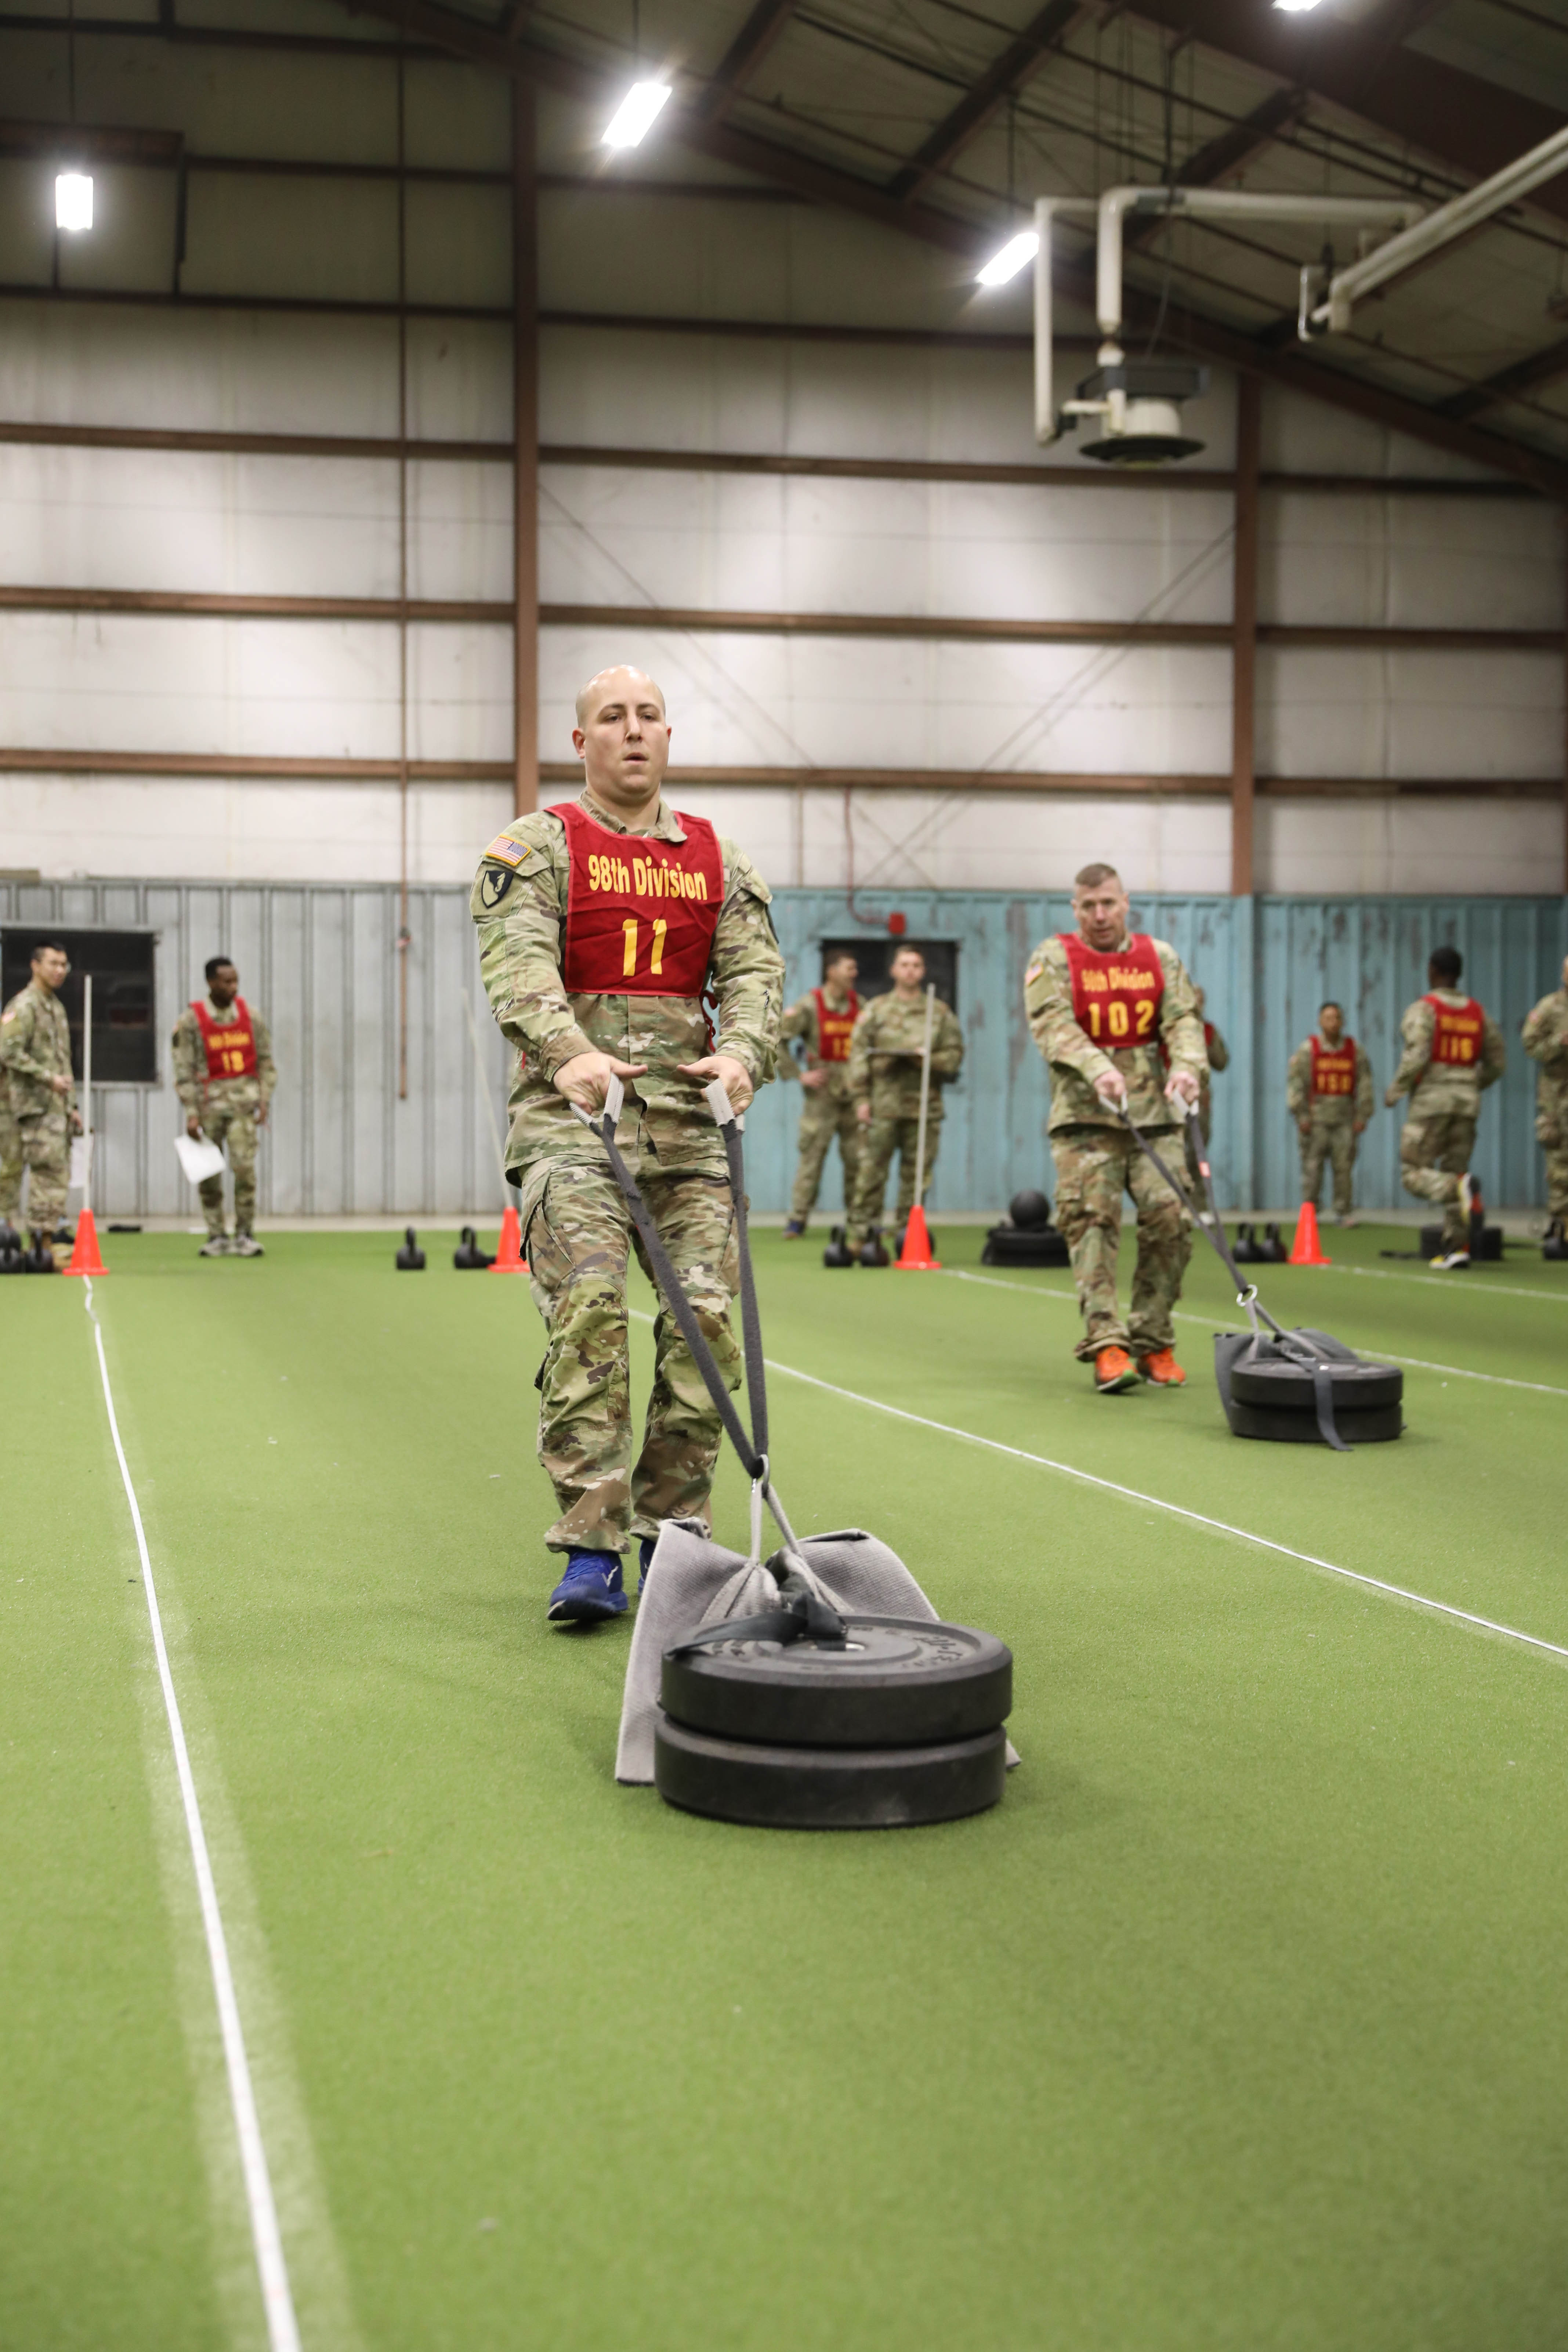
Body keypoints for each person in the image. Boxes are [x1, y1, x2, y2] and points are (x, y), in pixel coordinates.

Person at [471, 663, 783, 1626]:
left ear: (668, 736)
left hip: (690, 1134)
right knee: (593, 1304)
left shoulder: (720, 861)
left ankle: (675, 1534)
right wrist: (566, 1052)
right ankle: (591, 1545)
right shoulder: (539, 847)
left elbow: (755, 978)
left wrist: (739, 1056)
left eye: (649, 714)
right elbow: (516, 964)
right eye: (612, 716)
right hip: (575, 1131)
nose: (633, 730)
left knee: (704, 1322)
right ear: (581, 742)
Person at [1025, 863, 1206, 1392]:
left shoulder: (1159, 956)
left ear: (1125, 901)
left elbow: (1182, 1020)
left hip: (1155, 1118)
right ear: (1074, 909)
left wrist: (1187, 1067)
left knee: (1170, 1220)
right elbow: (1052, 1025)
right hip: (1086, 1118)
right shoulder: (1052, 957)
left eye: (1107, 903)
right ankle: (1107, 1342)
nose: (1099, 915)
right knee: (1092, 1225)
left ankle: (1155, 1340)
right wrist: (1097, 1066)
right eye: (1087, 906)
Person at [1386, 944, 1506, 1268]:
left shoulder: (1425, 1009)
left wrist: (1397, 1089)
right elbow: (1497, 1061)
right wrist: (1470, 1083)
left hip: (1431, 1101)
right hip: (1467, 1104)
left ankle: (1457, 1189)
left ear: (1432, 970)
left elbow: (1418, 1053)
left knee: (1412, 1174)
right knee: (1456, 1169)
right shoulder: (1478, 1013)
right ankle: (1457, 1248)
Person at [843, 946, 964, 1261]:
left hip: (923, 1108)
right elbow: (857, 1055)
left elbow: (954, 1056)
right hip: (883, 1105)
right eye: (904, 965)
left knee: (917, 1177)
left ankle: (904, 1237)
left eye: (916, 965)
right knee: (870, 1172)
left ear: (922, 971)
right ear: (894, 970)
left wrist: (928, 1059)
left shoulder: (938, 1013)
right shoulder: (876, 1010)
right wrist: (861, 1099)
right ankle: (860, 1234)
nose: (910, 970)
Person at [170, 958, 276, 1257]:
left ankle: (245, 1233)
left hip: (243, 1107)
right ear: (211, 983)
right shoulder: (192, 1021)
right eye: (226, 982)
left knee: (245, 1170)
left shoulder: (251, 1017)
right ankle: (216, 1234)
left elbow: (266, 1062)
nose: (233, 987)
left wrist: (264, 1098)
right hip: (208, 1109)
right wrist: (191, 1112)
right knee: (209, 1175)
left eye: (236, 981)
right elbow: (184, 1069)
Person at [0, 941, 82, 1266]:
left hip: (52, 1107)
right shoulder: (24, 1005)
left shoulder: (55, 1007)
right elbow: (8, 1052)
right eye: (53, 963)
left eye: (64, 965)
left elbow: (64, 1061)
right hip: (25, 1107)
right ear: (36, 965)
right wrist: (48, 1078)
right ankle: (9, 1242)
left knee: (52, 1174)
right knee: (12, 1172)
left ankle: (42, 1245)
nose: (60, 970)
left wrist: (71, 1104)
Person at [778, 951, 862, 1239]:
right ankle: (797, 1220)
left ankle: (860, 1220)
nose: (854, 973)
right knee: (811, 1158)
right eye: (849, 968)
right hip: (821, 1098)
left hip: (853, 1096)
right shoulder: (809, 1006)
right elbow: (778, 1040)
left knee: (858, 1159)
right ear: (832, 971)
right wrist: (799, 1074)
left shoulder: (859, 1006)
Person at [1286, 1001, 1374, 1227]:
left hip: (1345, 1119)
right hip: (1316, 1120)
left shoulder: (1354, 1050)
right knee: (1312, 1168)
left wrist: (1363, 1115)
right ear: (1320, 1021)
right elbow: (1297, 1084)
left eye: (1337, 1018)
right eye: (1328, 1018)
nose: (1333, 1023)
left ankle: (1343, 1211)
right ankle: (1310, 1212)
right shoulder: (1310, 1049)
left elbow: (1365, 1083)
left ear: (1343, 1022)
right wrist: (1301, 1115)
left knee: (1344, 1168)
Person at [1521, 953, 1568, 1249]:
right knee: (1559, 1162)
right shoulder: (1549, 1008)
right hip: (1556, 1097)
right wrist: (1558, 1043)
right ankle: (1561, 1227)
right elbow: (1530, 1045)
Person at [1184, 984, 1228, 1194]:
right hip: (1170, 1099)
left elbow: (1222, 1062)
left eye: (1200, 1000)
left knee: (1198, 1154)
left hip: (1199, 1101)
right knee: (1172, 1154)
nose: (1196, 1003)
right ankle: (1174, 1207)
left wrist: (1205, 1043)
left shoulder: (1209, 1031)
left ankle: (1200, 1204)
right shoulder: (1166, 1027)